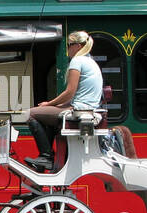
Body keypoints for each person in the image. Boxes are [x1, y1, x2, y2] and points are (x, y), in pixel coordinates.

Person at [24, 30, 104, 170]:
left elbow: (69, 92)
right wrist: (58, 105)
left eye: (69, 45)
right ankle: (46, 158)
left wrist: (49, 104)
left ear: (78, 46)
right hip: (84, 109)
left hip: (78, 110)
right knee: (45, 115)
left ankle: (46, 156)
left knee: (30, 114)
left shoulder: (77, 61)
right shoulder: (91, 62)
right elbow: (76, 96)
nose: (67, 49)